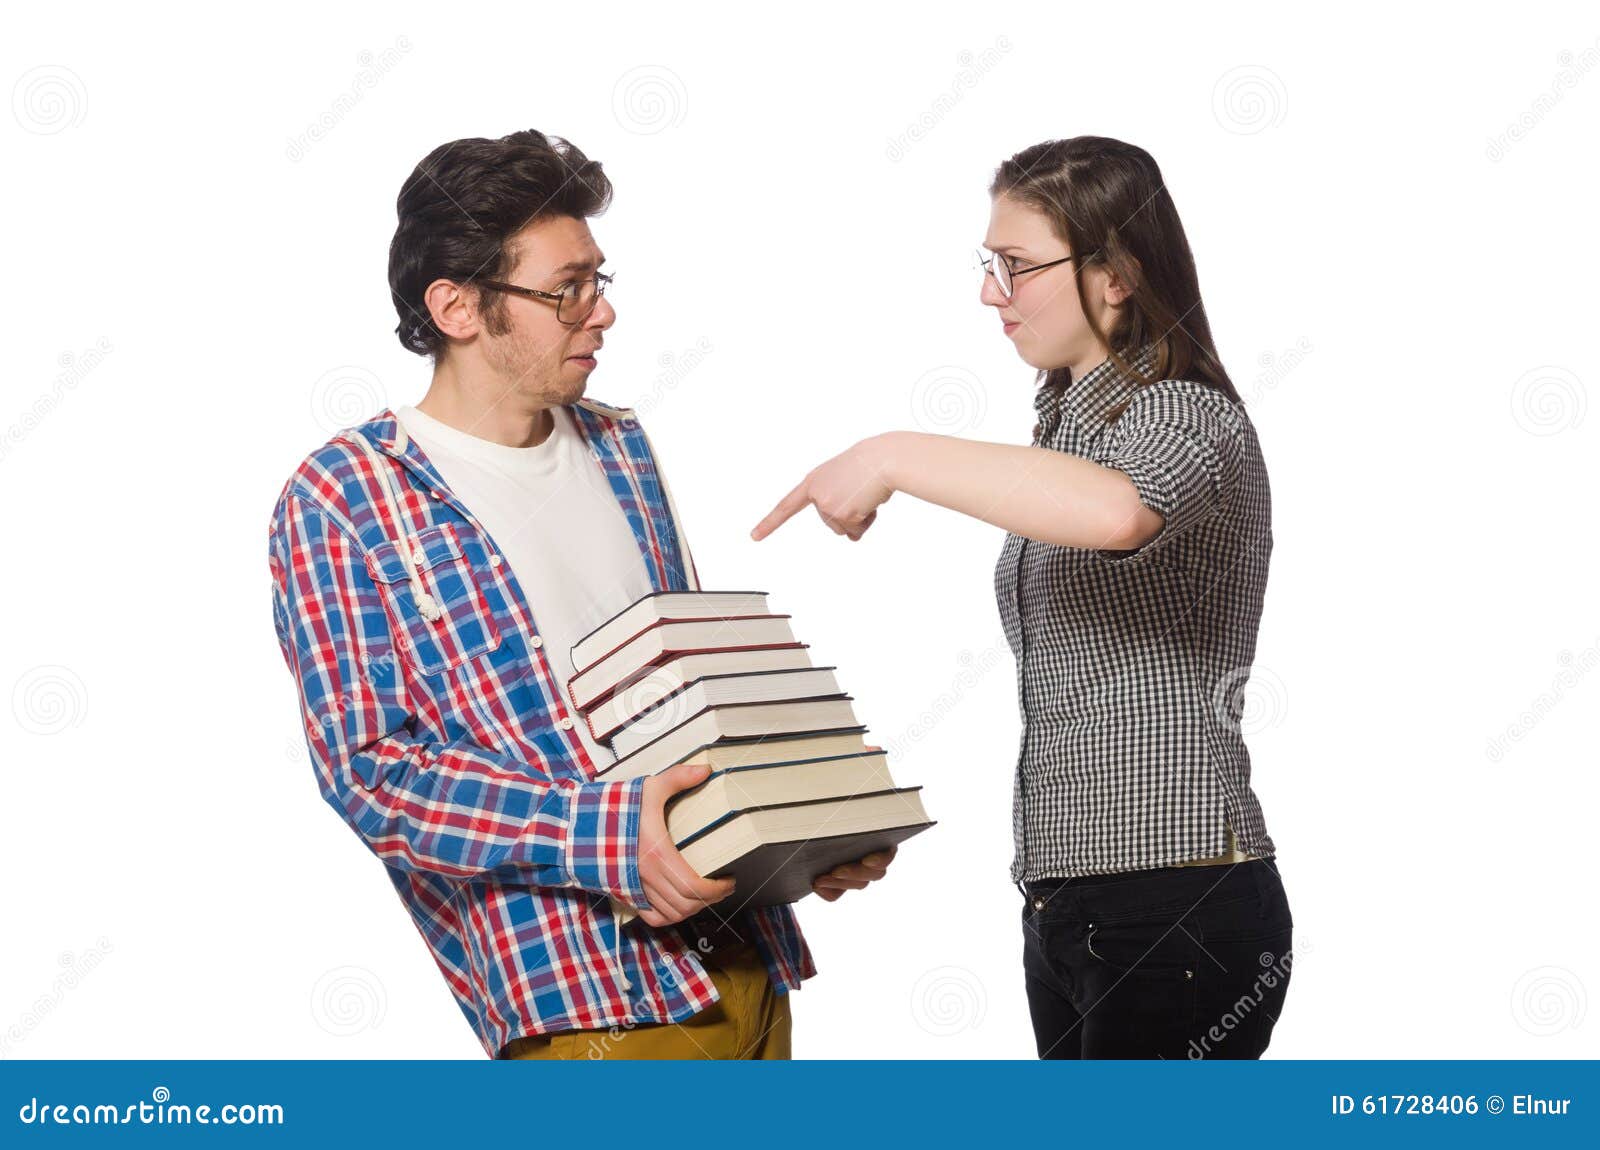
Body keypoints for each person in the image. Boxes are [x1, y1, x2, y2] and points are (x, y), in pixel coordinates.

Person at [267, 129, 891, 1061]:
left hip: (743, 952)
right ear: (457, 308)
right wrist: (598, 833)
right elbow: (371, 773)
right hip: (587, 1003)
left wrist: (802, 818)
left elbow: (683, 695)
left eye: (600, 281)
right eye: (566, 290)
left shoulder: (620, 443)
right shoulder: (345, 496)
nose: (599, 314)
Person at [753, 136, 1293, 1059]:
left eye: (1016, 266)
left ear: (1115, 276)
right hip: (1068, 901)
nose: (990, 294)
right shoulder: (1060, 446)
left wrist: (889, 452)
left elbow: (1121, 513)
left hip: (1176, 905)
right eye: (988, 264)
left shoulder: (1185, 417)